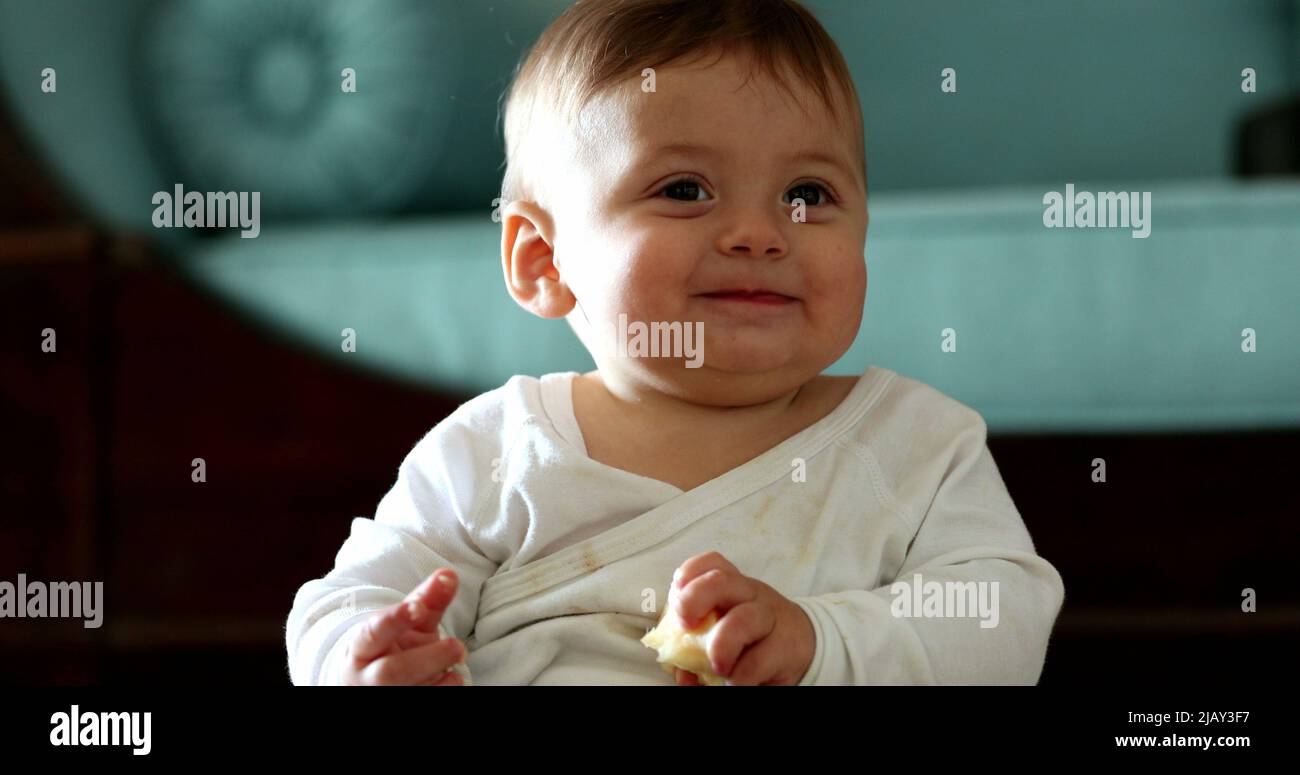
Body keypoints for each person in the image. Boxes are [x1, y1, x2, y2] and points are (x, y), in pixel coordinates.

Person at [286, 0, 1065, 686]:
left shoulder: (916, 445)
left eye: (807, 195)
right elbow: (350, 599)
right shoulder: (494, 451)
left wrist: (821, 641)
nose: (760, 234)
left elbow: (1002, 624)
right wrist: (358, 658)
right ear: (543, 260)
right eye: (685, 189)